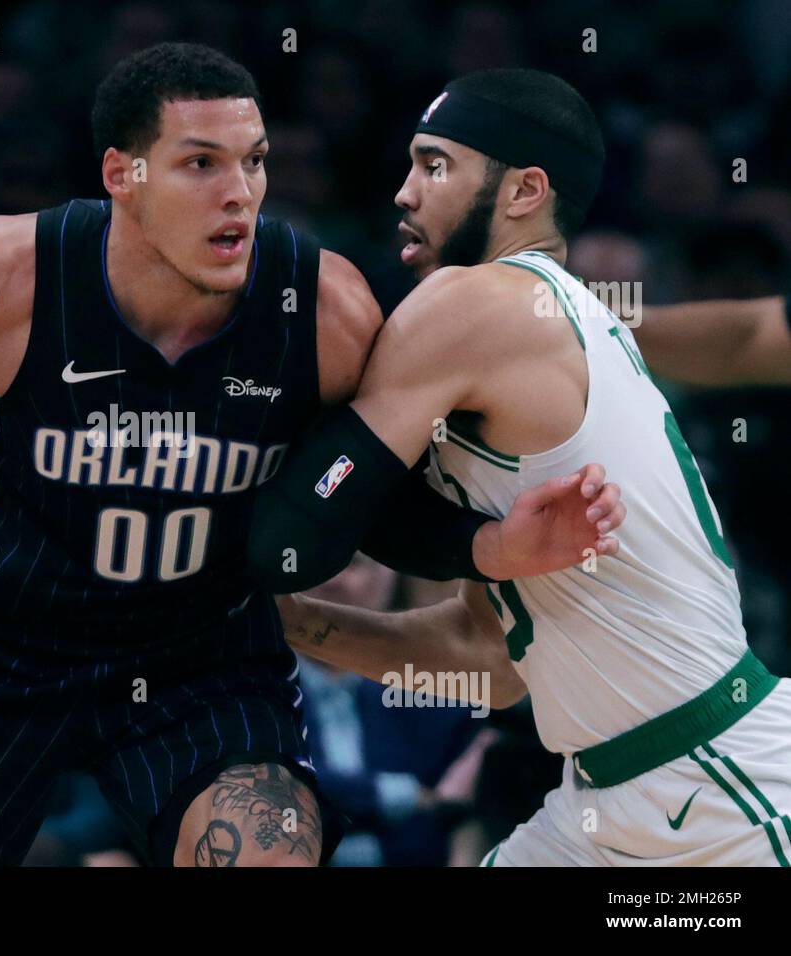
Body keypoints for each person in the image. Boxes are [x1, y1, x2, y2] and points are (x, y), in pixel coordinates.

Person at [0, 44, 618, 868]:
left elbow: (364, 496)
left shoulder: (324, 309)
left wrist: (487, 544)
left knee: (271, 848)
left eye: (254, 160)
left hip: (198, 656)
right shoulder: (8, 276)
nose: (239, 193)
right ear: (120, 176)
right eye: (201, 163)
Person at [260, 68, 791, 866]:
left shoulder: (479, 302)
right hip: (608, 798)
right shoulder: (549, 327)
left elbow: (293, 538)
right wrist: (299, 624)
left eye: (435, 165)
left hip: (722, 786)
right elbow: (490, 661)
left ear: (524, 191)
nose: (405, 191)